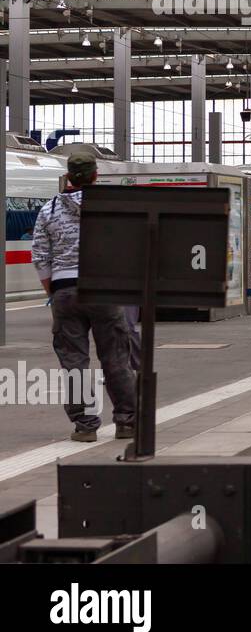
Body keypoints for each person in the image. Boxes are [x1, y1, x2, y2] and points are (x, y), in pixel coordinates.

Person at [31, 148, 138, 443]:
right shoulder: (109, 207)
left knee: (74, 361)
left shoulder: (49, 210)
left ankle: (85, 426)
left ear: (67, 176)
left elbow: (40, 257)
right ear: (95, 175)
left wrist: (54, 292)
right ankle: (126, 422)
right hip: (103, 289)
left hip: (65, 291)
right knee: (116, 356)